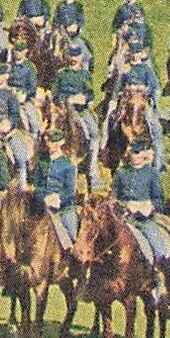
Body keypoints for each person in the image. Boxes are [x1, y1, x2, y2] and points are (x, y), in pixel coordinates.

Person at [114, 139, 170, 301]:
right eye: (132, 152)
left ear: (145, 155)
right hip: (125, 220)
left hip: (145, 220)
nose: (134, 156)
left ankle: (159, 280)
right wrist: (126, 205)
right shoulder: (121, 173)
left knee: (159, 246)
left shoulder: (152, 174)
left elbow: (159, 200)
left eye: (138, 153)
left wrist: (149, 206)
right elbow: (114, 198)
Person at [55, 44, 102, 187]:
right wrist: (67, 99)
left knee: (94, 134)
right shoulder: (61, 74)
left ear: (81, 57)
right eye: (71, 55)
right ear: (67, 56)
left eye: (77, 56)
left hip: (82, 109)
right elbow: (55, 94)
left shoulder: (85, 74)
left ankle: (92, 168)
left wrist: (85, 99)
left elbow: (90, 94)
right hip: (65, 110)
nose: (74, 59)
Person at [119, 44, 165, 172]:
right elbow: (118, 86)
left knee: (156, 130)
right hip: (126, 100)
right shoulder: (125, 68)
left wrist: (144, 90)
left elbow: (153, 86)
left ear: (141, 54)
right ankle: (105, 146)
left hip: (143, 101)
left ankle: (158, 164)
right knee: (110, 120)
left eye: (137, 53)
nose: (134, 55)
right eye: (132, 53)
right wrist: (126, 89)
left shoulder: (147, 69)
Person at [35, 129, 79, 245]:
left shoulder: (68, 164)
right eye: (49, 141)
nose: (51, 145)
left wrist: (58, 199)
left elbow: (70, 191)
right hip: (44, 206)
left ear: (62, 142)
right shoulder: (41, 162)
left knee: (71, 236)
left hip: (64, 208)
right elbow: (37, 186)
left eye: (55, 142)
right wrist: (44, 198)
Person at [7, 41, 41, 135]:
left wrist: (23, 93)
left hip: (23, 99)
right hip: (8, 96)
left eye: (20, 50)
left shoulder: (30, 67)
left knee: (33, 120)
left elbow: (32, 87)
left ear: (25, 51)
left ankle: (35, 137)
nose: (18, 53)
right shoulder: (9, 66)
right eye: (16, 50)